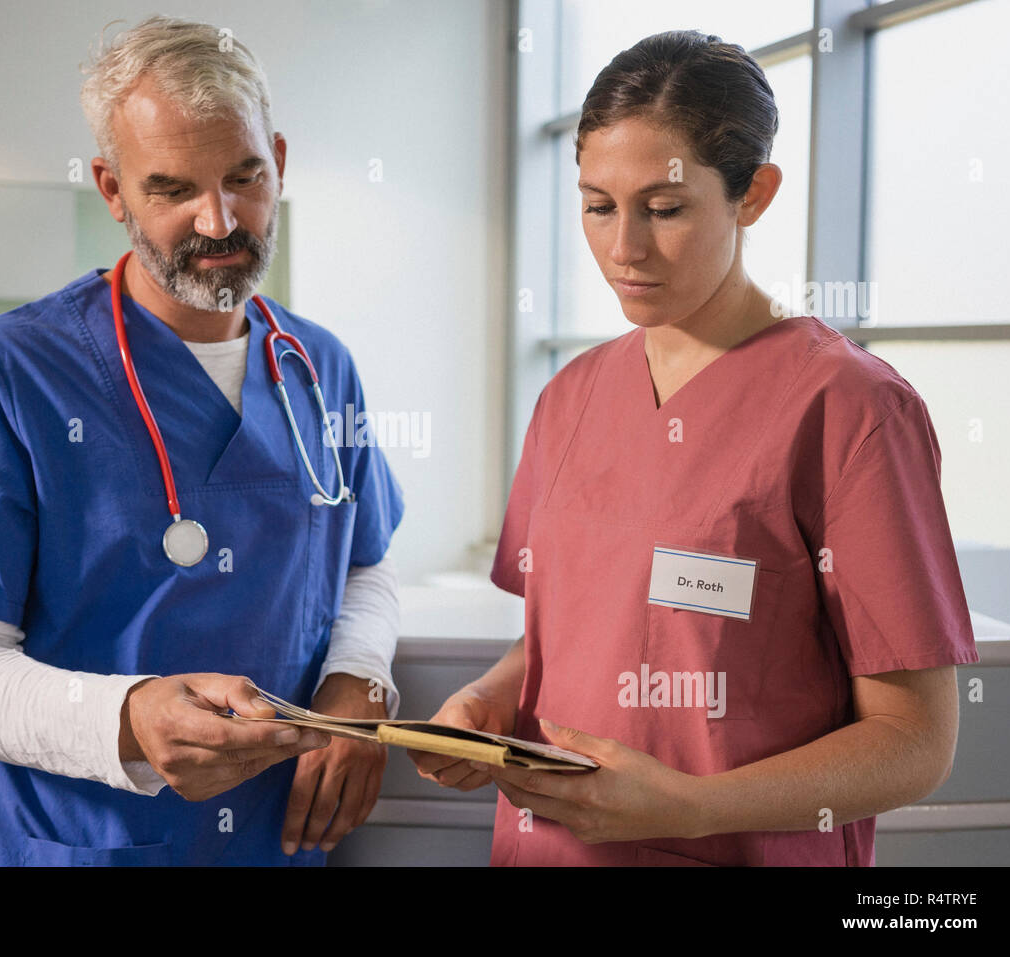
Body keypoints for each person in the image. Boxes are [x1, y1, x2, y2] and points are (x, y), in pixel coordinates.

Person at [0, 16, 405, 866]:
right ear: (112, 189)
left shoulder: (319, 366)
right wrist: (131, 718)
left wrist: (358, 687)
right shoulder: (11, 371)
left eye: (245, 178)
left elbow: (364, 563)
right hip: (87, 842)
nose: (220, 221)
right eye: (174, 189)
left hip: (275, 841)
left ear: (278, 162)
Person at [410, 29, 978, 866]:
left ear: (754, 194)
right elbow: (563, 634)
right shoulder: (570, 397)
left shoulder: (851, 409)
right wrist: (487, 706)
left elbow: (915, 741)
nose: (624, 248)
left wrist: (694, 807)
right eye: (598, 205)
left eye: (665, 208)